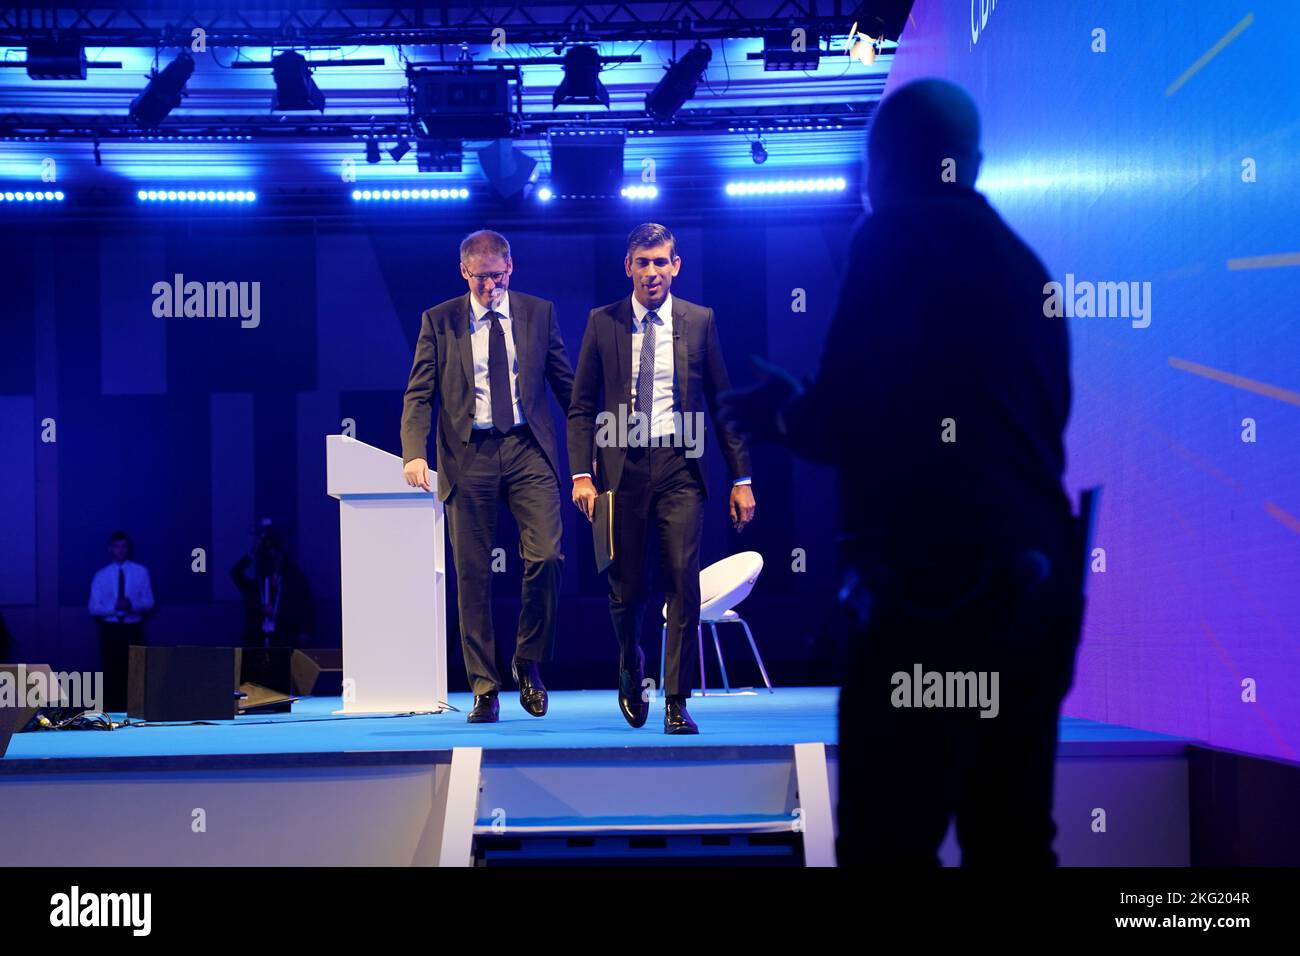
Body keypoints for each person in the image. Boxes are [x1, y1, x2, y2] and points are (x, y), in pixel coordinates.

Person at [721, 79, 1084, 864]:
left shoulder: (893, 236)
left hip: (930, 592)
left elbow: (852, 415)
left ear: (882, 163)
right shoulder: (1028, 268)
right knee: (1015, 841)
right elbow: (1035, 425)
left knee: (888, 841)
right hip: (1037, 590)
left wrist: (785, 415)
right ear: (972, 161)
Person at [568, 223, 756, 735]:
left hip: (680, 466)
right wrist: (582, 474)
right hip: (620, 469)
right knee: (627, 589)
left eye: (661, 262)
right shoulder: (601, 322)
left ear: (676, 265)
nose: (652, 272)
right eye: (643, 262)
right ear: (628, 267)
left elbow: (722, 404)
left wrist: (742, 478)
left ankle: (676, 698)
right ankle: (631, 664)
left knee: (682, 582)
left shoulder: (699, 320)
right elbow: (582, 407)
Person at [401, 230, 574, 723]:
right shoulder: (439, 321)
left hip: (528, 450)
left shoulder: (538, 313)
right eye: (480, 278)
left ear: (510, 269)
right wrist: (414, 452)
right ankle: (483, 686)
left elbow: (567, 387)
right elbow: (418, 394)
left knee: (547, 557)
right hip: (467, 454)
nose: (490, 287)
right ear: (464, 273)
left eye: (497, 277)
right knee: (472, 577)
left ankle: (527, 659)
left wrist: (592, 451)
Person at [88, 531, 155, 711]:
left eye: (124, 546)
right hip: (111, 630)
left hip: (133, 629)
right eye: (117, 546)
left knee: (135, 671)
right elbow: (93, 607)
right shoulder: (101, 575)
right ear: (110, 549)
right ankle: (112, 711)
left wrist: (131, 605)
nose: (121, 550)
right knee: (111, 672)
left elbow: (150, 602)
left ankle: (136, 709)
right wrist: (115, 608)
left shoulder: (141, 572)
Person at [230, 519, 315, 649]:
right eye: (269, 555)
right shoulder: (257, 585)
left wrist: (304, 630)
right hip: (257, 640)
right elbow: (236, 573)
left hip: (284, 639)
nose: (274, 558)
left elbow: (305, 606)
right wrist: (252, 552)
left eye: (277, 554)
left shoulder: (294, 582)